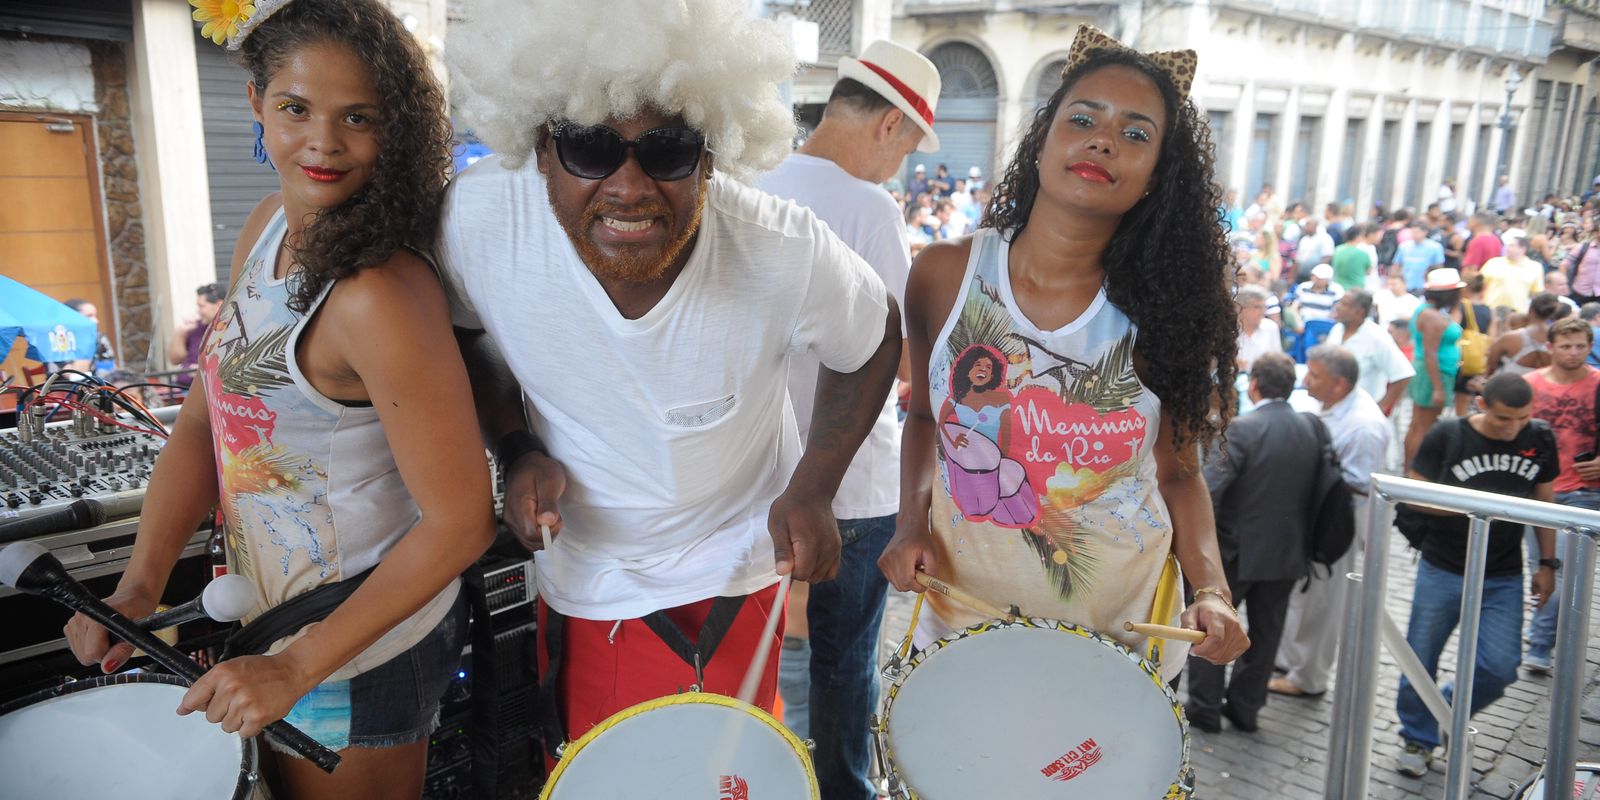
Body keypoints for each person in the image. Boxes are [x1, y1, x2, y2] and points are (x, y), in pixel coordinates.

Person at [442, 0, 902, 756]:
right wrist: (516, 445)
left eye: (667, 150)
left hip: (737, 566)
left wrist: (815, 486)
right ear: (539, 147)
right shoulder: (479, 222)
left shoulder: (778, 245)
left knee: (735, 771)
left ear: (713, 154)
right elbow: (464, 335)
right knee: (612, 769)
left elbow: (876, 332)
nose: (628, 186)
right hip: (590, 575)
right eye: (589, 147)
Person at [64, 2, 493, 797]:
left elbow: (462, 520)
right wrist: (138, 583)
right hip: (275, 635)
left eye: (357, 118)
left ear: (393, 129)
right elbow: (205, 420)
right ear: (256, 98)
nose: (323, 143)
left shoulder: (379, 297)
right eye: (296, 108)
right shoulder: (266, 227)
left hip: (355, 647)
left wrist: (295, 665)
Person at [879, 23, 1249, 708]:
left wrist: (1213, 594)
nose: (1103, 140)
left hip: (1117, 655)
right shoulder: (943, 276)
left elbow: (1179, 473)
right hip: (962, 632)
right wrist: (910, 524)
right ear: (1043, 139)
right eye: (1082, 119)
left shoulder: (1166, 313)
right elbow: (928, 417)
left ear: (1155, 180)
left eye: (1136, 134)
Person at [754, 39, 936, 799]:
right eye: (909, 150)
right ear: (890, 125)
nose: (900, 168)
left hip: (763, 475)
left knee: (772, 652)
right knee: (845, 663)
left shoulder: (749, 182)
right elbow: (899, 359)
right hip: (853, 487)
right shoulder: (867, 207)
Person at [1393, 372, 1558, 777]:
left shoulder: (1539, 438)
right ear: (1483, 405)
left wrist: (1548, 563)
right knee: (1421, 656)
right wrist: (1483, 507)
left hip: (1503, 573)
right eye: (1505, 418)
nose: (1513, 428)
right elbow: (1415, 493)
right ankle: (1418, 735)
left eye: (1522, 418)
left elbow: (1545, 499)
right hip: (1443, 566)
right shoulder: (1449, 433)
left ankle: (1443, 710)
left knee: (1500, 667)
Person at [1188, 353, 1321, 731]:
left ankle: (1205, 709)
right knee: (1267, 634)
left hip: (1236, 552)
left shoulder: (1242, 430)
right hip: (1287, 554)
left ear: (1255, 384)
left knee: (1211, 628)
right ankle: (1246, 709)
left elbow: (1209, 491)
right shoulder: (1311, 427)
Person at [1271, 345, 1390, 698]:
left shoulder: (1364, 427)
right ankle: (1289, 657)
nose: (1306, 382)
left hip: (1340, 527)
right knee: (1301, 595)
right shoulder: (1321, 404)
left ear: (1339, 384)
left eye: (1315, 376)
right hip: (1311, 520)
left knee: (1323, 602)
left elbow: (1362, 487)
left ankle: (1308, 677)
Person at [1523, 317, 1600, 673]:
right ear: (1551, 347)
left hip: (1584, 492)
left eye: (1580, 346)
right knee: (1541, 565)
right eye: (1566, 346)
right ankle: (1547, 632)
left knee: (1562, 568)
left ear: (1589, 346)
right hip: (1537, 491)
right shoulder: (1529, 385)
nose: (1573, 353)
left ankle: (1540, 641)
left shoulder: (1598, 385)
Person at [1404, 268, 1466, 468]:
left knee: (1417, 423)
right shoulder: (1432, 316)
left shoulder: (1428, 311)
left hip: (1429, 372)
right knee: (1424, 426)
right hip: (1434, 374)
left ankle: (1408, 469)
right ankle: (1414, 470)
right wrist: (1438, 388)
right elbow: (1431, 354)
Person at [1326, 289, 1413, 416]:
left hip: (1361, 414)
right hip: (1333, 409)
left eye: (1344, 304)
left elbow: (1403, 375)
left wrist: (1380, 408)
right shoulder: (1337, 329)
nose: (1338, 307)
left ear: (1359, 312)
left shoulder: (1376, 337)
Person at [1481, 291, 1561, 381]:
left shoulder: (1509, 338)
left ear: (1530, 309)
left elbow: (1491, 365)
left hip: (1507, 387)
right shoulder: (1558, 339)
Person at [167, 282, 224, 388]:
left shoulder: (230, 330)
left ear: (219, 305)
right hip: (181, 389)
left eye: (202, 306)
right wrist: (181, 332)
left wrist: (201, 370)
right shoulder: (195, 327)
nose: (198, 311)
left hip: (207, 392)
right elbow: (175, 359)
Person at [1480, 236, 1543, 313]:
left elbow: (1536, 292)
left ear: (1523, 249)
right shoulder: (1493, 262)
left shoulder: (1535, 267)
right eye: (1507, 245)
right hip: (1491, 309)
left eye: (1512, 246)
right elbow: (1480, 284)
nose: (1507, 248)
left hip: (1517, 313)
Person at [1236, 285, 1282, 372]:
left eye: (1264, 307)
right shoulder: (1231, 330)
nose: (1263, 311)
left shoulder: (1270, 327)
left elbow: (1277, 360)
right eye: (1257, 307)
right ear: (1242, 309)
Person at [1398, 220, 1446, 294]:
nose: (1414, 235)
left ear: (1425, 232)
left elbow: (1439, 268)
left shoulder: (1435, 247)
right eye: (1412, 232)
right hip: (1406, 286)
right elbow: (1397, 265)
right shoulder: (1404, 246)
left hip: (1424, 287)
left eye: (1417, 232)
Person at [1330, 222, 1372, 292]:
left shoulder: (1338, 249)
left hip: (1338, 286)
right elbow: (1368, 271)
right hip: (1356, 289)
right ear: (1358, 236)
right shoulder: (1363, 253)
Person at [1462, 213, 1504, 277]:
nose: (1467, 223)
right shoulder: (1496, 240)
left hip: (1478, 284)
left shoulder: (1478, 241)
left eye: (1469, 220)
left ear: (1475, 222)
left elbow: (1469, 271)